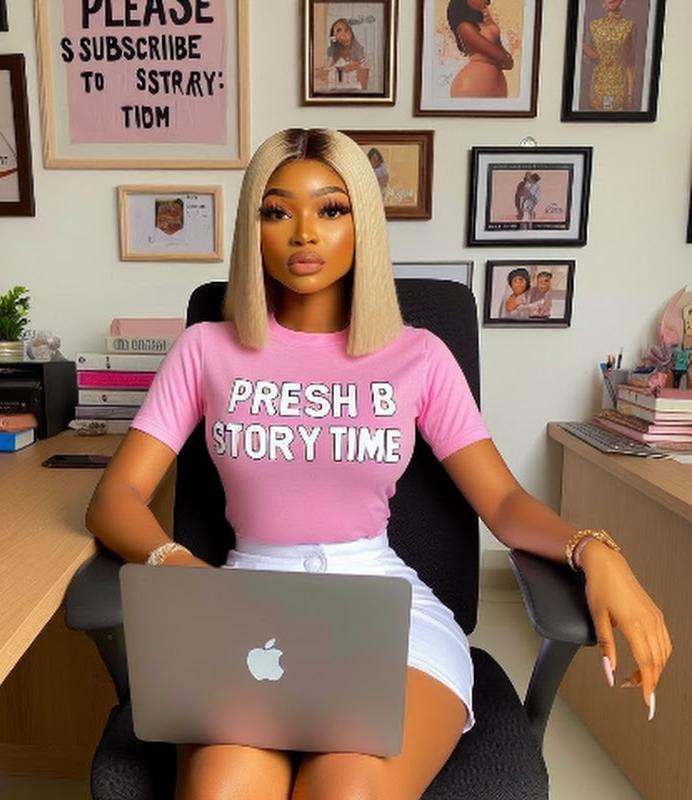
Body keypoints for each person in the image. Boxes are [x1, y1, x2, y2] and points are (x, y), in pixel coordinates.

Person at [86, 128, 671, 798]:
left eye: (331, 209)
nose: (305, 233)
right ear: (254, 229)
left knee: (347, 791)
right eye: (277, 211)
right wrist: (176, 565)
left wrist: (593, 550)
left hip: (386, 616)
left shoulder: (417, 356)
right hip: (246, 610)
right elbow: (114, 498)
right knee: (221, 789)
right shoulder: (205, 349)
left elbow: (505, 502)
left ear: (362, 220)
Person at [447, 0, 513, 98]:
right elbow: (501, 57)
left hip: (494, 84)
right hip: (473, 83)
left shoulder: (484, 21)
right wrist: (505, 58)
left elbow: (508, 63)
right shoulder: (464, 27)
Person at [582, 0, 636, 112]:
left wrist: (630, 94)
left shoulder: (629, 25)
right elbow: (594, 56)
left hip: (619, 83)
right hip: (598, 81)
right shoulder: (594, 25)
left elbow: (630, 62)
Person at [325, 18, 367, 89]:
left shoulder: (360, 56)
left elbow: (364, 87)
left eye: (346, 30)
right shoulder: (330, 57)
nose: (343, 34)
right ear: (334, 36)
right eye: (339, 31)